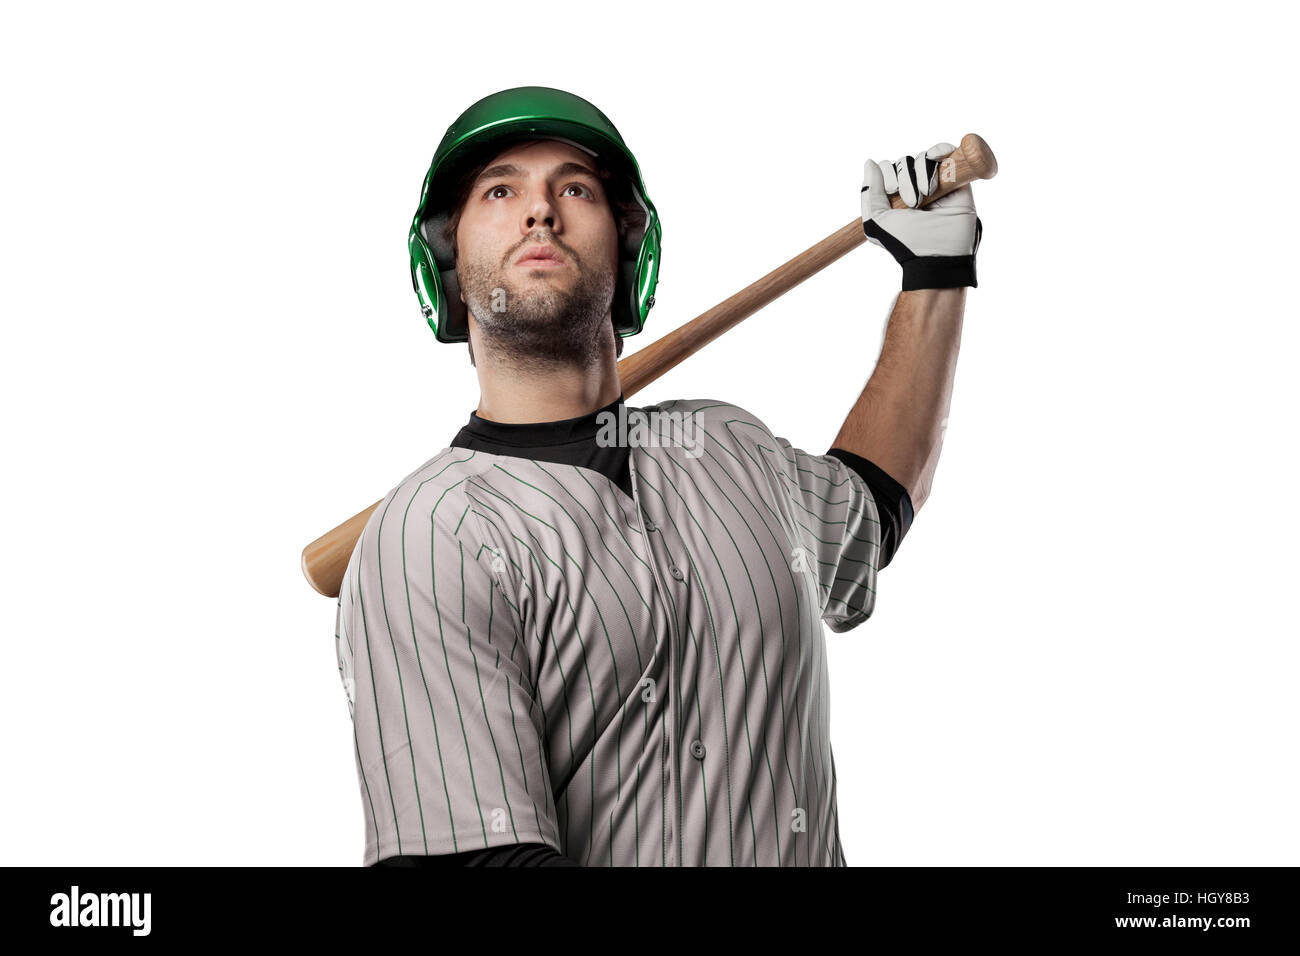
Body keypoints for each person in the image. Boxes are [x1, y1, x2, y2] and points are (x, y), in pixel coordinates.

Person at [334, 86, 980, 866]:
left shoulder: (727, 445)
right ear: (446, 265)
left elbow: (872, 507)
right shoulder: (429, 536)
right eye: (500, 190)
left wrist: (935, 270)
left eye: (574, 188)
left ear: (628, 249)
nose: (541, 210)